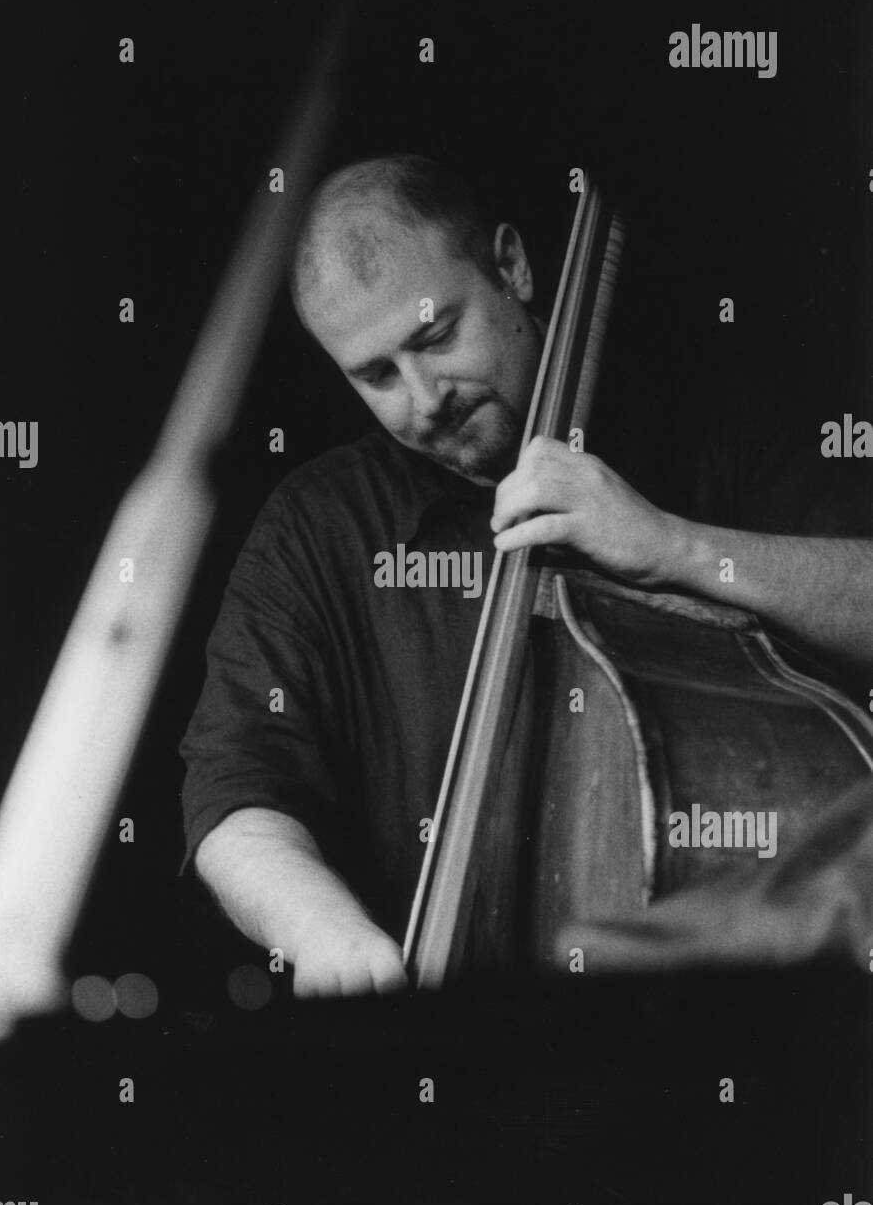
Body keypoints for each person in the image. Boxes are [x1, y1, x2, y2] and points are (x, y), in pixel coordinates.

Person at [179, 154, 873, 998]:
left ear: (511, 266)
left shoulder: (711, 421)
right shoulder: (317, 528)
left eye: (436, 338)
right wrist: (322, 931)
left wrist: (677, 547)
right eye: (375, 376)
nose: (423, 397)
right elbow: (234, 789)